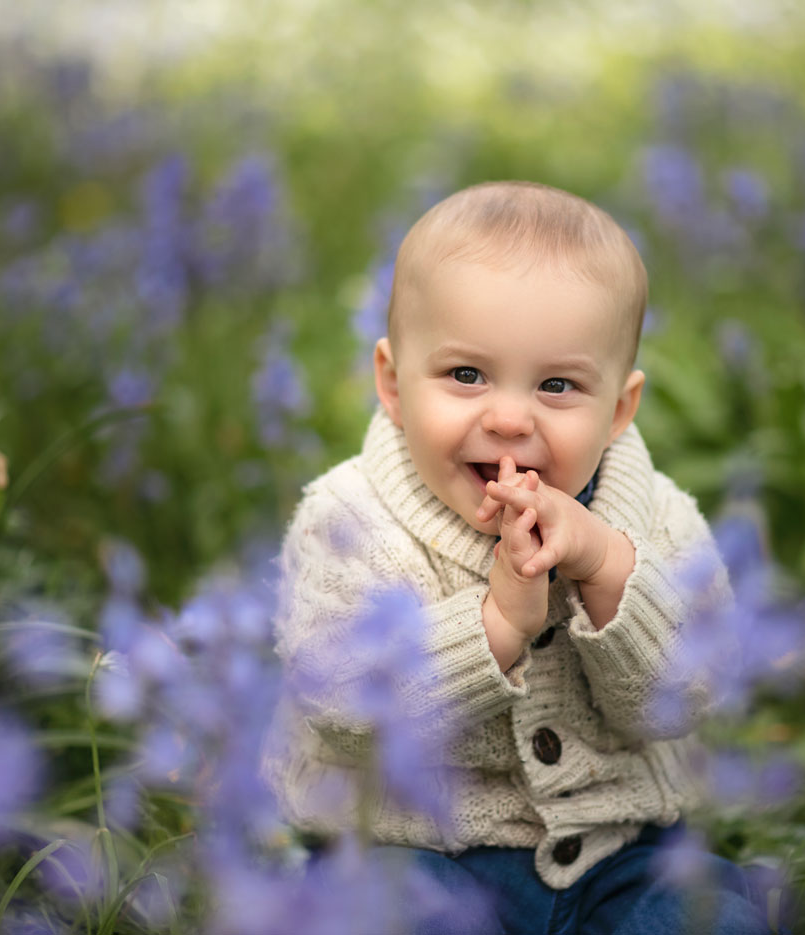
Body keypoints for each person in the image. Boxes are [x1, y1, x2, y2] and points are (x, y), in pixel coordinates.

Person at [263, 180, 773, 934]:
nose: (508, 418)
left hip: (623, 854)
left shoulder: (657, 516)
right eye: (466, 374)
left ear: (619, 408)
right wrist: (495, 624)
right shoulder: (346, 517)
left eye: (558, 385)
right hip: (416, 853)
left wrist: (606, 568)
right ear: (393, 384)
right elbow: (338, 702)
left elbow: (695, 684)